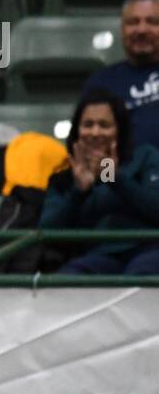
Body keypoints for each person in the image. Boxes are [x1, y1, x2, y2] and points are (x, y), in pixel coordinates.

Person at [40, 89, 159, 274]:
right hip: (97, 259)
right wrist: (79, 192)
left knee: (140, 276)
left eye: (104, 125)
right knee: (65, 281)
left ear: (119, 130)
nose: (95, 132)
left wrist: (115, 178)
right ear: (77, 131)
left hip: (148, 251)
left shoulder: (144, 157)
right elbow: (47, 233)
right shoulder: (64, 178)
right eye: (88, 124)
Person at [83, 0, 159, 149]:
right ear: (122, 29)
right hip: (121, 173)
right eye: (133, 22)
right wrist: (107, 175)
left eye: (152, 22)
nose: (141, 30)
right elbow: (99, 157)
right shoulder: (100, 85)